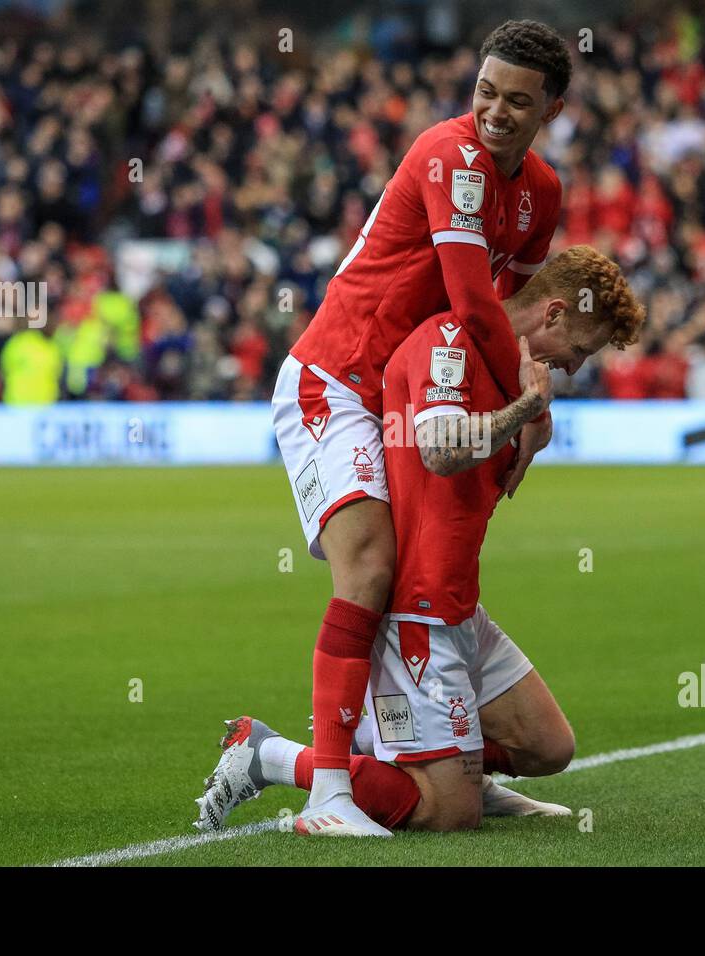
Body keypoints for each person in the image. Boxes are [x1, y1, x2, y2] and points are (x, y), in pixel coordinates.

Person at [199, 246, 645, 834]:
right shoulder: (448, 341)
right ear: (554, 314)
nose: (575, 367)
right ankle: (273, 756)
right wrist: (526, 409)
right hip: (418, 607)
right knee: (448, 814)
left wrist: (531, 427)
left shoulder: (506, 366)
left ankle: (442, 758)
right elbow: (439, 451)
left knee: (548, 748)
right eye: (581, 350)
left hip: (458, 604)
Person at [269, 20, 573, 834]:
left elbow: (503, 312)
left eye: (517, 101)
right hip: (335, 377)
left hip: (400, 388)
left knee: (415, 575)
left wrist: (515, 412)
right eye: (485, 91)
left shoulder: (540, 192)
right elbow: (474, 307)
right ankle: (326, 791)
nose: (495, 113)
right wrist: (527, 415)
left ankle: (449, 759)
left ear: (549, 109)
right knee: (370, 568)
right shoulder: (450, 155)